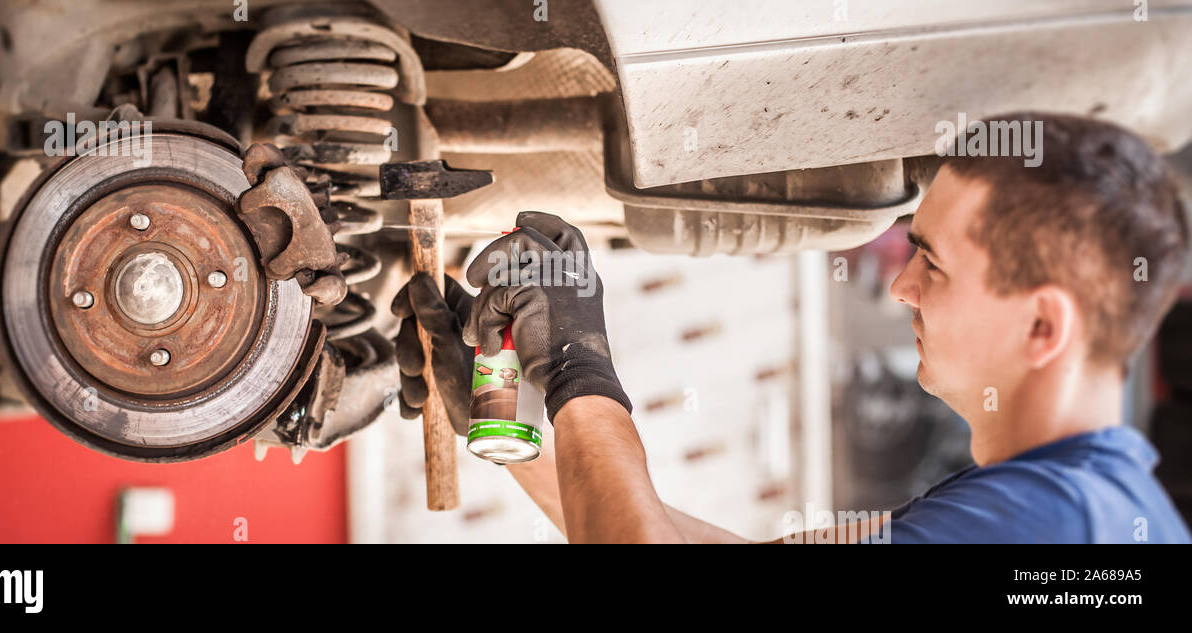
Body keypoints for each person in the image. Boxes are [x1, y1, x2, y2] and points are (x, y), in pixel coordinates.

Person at [390, 112, 1192, 543]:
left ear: (1042, 325)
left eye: (933, 264)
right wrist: (517, 431)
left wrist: (576, 368)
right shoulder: (1057, 506)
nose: (902, 286)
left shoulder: (1059, 532)